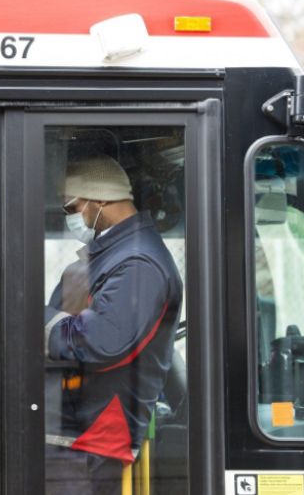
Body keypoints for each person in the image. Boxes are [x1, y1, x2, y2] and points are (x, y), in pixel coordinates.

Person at [44, 155, 183, 495]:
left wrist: (34, 317)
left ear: (99, 199)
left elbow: (98, 341)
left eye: (71, 206)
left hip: (97, 437)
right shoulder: (117, 253)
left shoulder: (138, 264)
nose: (69, 216)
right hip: (80, 429)